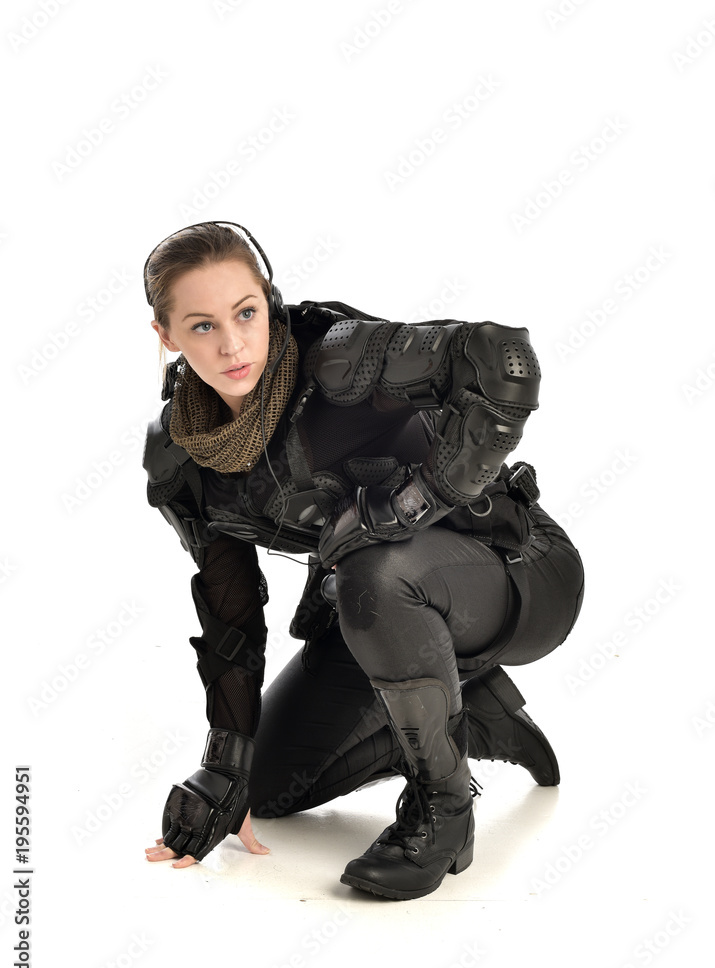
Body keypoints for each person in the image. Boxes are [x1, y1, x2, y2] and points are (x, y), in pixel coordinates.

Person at [141, 220, 585, 900]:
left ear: (269, 299)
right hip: (381, 611)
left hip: (519, 568)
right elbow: (232, 615)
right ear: (165, 336)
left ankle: (443, 811)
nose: (232, 344)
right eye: (201, 326)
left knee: (374, 565)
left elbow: (503, 360)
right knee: (272, 785)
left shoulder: (336, 360)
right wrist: (222, 769)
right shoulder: (183, 455)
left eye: (246, 313)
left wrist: (404, 506)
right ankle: (473, 711)